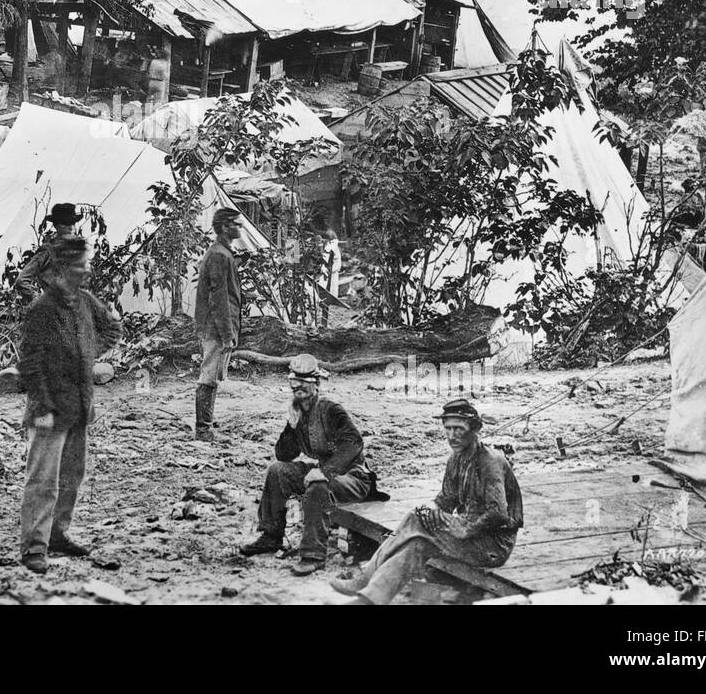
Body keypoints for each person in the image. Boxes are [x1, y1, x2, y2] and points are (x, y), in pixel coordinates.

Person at [331, 399, 524, 604]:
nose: (451, 435)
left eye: (459, 429)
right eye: (448, 429)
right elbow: (446, 501)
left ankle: (365, 578)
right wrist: (428, 516)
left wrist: (465, 530)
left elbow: (498, 514)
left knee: (416, 521)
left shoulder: (490, 461)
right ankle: (368, 599)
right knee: (416, 539)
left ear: (474, 429)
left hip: (492, 545)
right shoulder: (456, 459)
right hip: (469, 531)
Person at [17, 236, 122, 573]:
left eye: (85, 263)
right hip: (50, 411)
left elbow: (112, 328)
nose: (85, 269)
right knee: (42, 481)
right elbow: (29, 364)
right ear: (61, 269)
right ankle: (35, 546)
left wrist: (89, 351)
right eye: (78, 264)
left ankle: (58, 534)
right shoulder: (42, 310)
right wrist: (44, 407)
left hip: (78, 406)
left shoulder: (85, 302)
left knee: (71, 477)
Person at [240, 355, 382, 575]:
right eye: (295, 382)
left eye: (305, 382)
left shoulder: (330, 410)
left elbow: (354, 443)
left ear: (316, 384)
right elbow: (284, 455)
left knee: (317, 487)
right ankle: (271, 535)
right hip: (327, 472)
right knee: (277, 471)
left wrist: (325, 472)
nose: (299, 387)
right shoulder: (298, 412)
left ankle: (313, 555)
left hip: (353, 478)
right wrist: (290, 427)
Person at [193, 207, 242, 441]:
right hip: (215, 325)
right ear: (224, 227)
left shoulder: (222, 252)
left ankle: (207, 421)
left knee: (214, 374)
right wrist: (226, 332)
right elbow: (218, 298)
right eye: (236, 224)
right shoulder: (219, 255)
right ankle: (203, 428)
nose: (239, 227)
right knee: (210, 375)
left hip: (217, 324)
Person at [15, 203, 82, 302]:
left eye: (72, 223)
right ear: (57, 226)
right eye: (65, 224)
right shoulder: (47, 251)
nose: (71, 227)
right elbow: (21, 280)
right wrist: (37, 298)